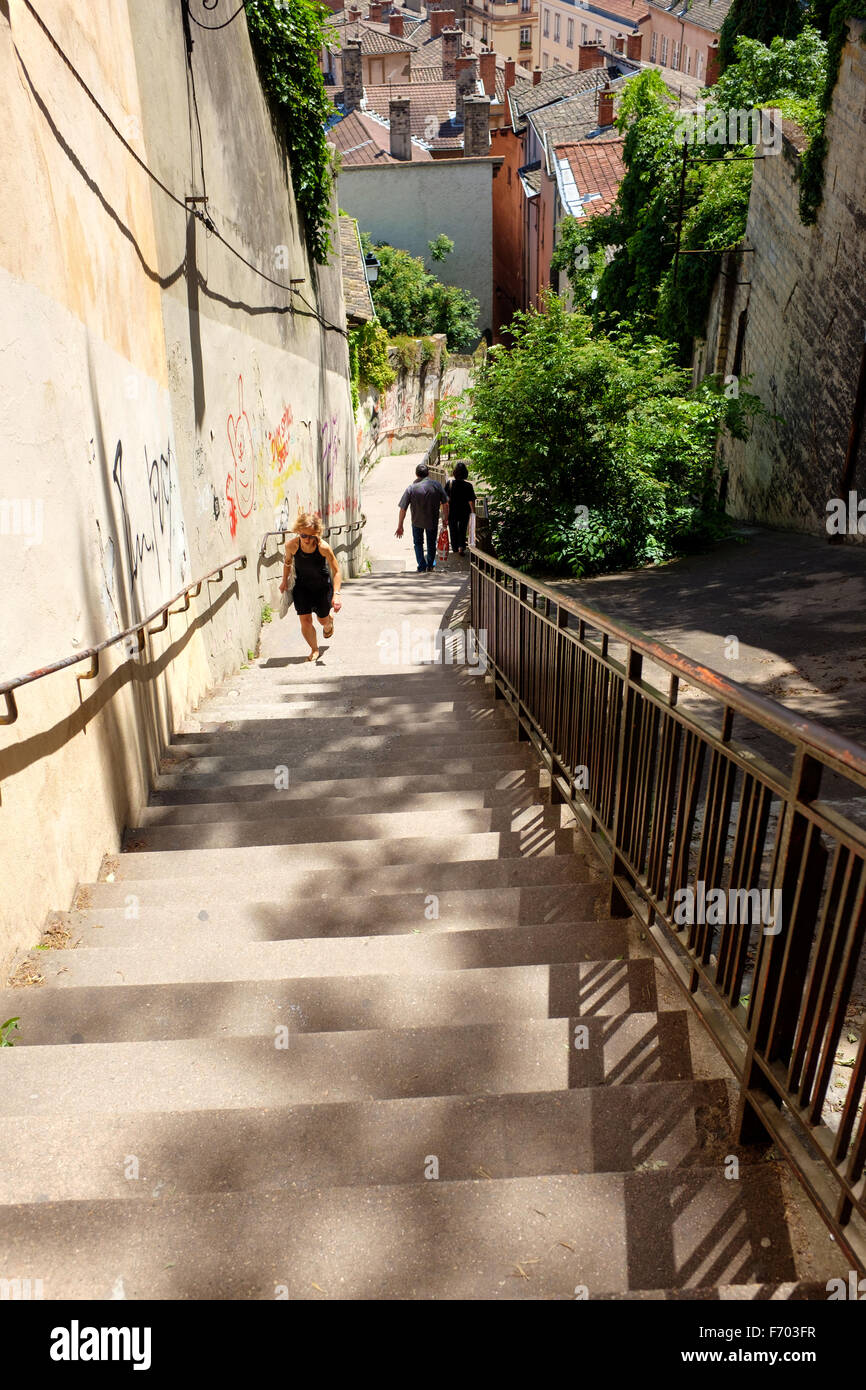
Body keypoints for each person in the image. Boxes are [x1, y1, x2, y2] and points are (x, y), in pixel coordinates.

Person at [279, 511, 342, 662]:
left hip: (322, 588)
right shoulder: (291, 546)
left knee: (322, 621)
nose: (307, 540)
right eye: (304, 536)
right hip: (302, 588)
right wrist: (284, 581)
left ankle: (329, 623)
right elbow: (287, 563)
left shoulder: (323, 547)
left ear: (316, 534)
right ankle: (314, 649)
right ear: (298, 531)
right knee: (305, 620)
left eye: (311, 536)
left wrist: (337, 593)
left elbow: (337, 571)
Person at [395, 462, 449, 572]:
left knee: (418, 543)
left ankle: (421, 565)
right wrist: (445, 518)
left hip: (416, 521)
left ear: (416, 474)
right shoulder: (436, 485)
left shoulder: (411, 488)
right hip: (432, 520)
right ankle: (430, 564)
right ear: (428, 473)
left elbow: (403, 509)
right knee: (431, 543)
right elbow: (445, 503)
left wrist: (400, 525)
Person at [445, 461, 476, 556]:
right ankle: (461, 547)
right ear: (465, 473)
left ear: (455, 472)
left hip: (452, 511)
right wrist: (473, 513)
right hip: (464, 511)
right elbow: (471, 501)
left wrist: (445, 515)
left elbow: (445, 501)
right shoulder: (468, 486)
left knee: (453, 529)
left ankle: (455, 548)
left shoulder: (449, 484)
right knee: (462, 529)